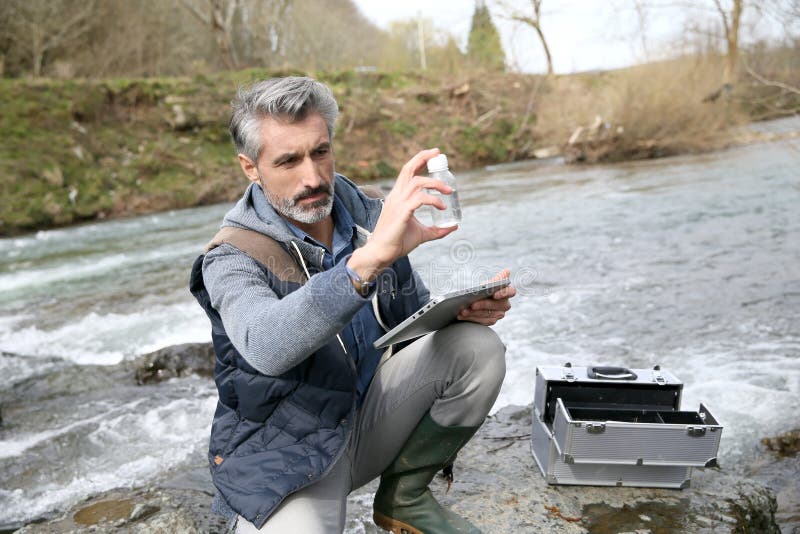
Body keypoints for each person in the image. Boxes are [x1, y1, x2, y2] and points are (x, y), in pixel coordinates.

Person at [189, 76, 516, 534]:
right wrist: (367, 263)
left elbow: (408, 323)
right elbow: (265, 346)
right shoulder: (229, 257)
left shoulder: (362, 213)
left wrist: (458, 314)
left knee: (474, 347)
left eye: (320, 152)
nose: (313, 177)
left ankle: (405, 497)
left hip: (366, 427)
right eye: (288, 161)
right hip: (287, 461)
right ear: (250, 167)